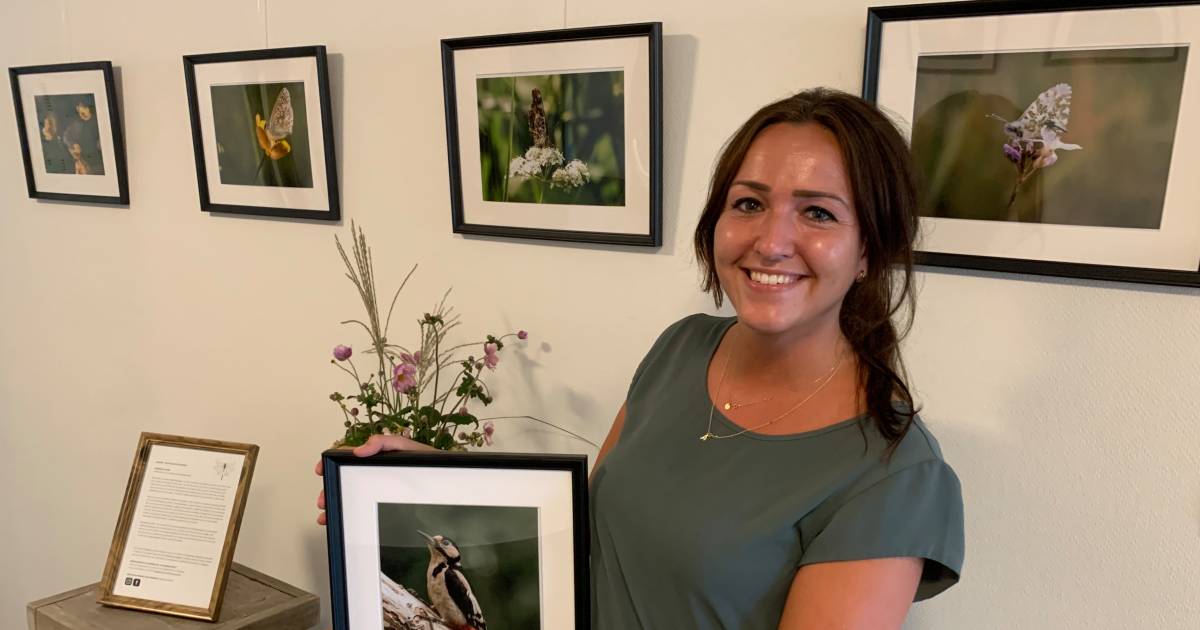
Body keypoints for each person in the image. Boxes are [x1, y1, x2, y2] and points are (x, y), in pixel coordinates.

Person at [317, 87, 964, 630]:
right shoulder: (681, 350)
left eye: (818, 213)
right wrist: (425, 479)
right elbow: (592, 542)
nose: (772, 241)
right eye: (749, 203)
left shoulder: (895, 476)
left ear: (870, 252)